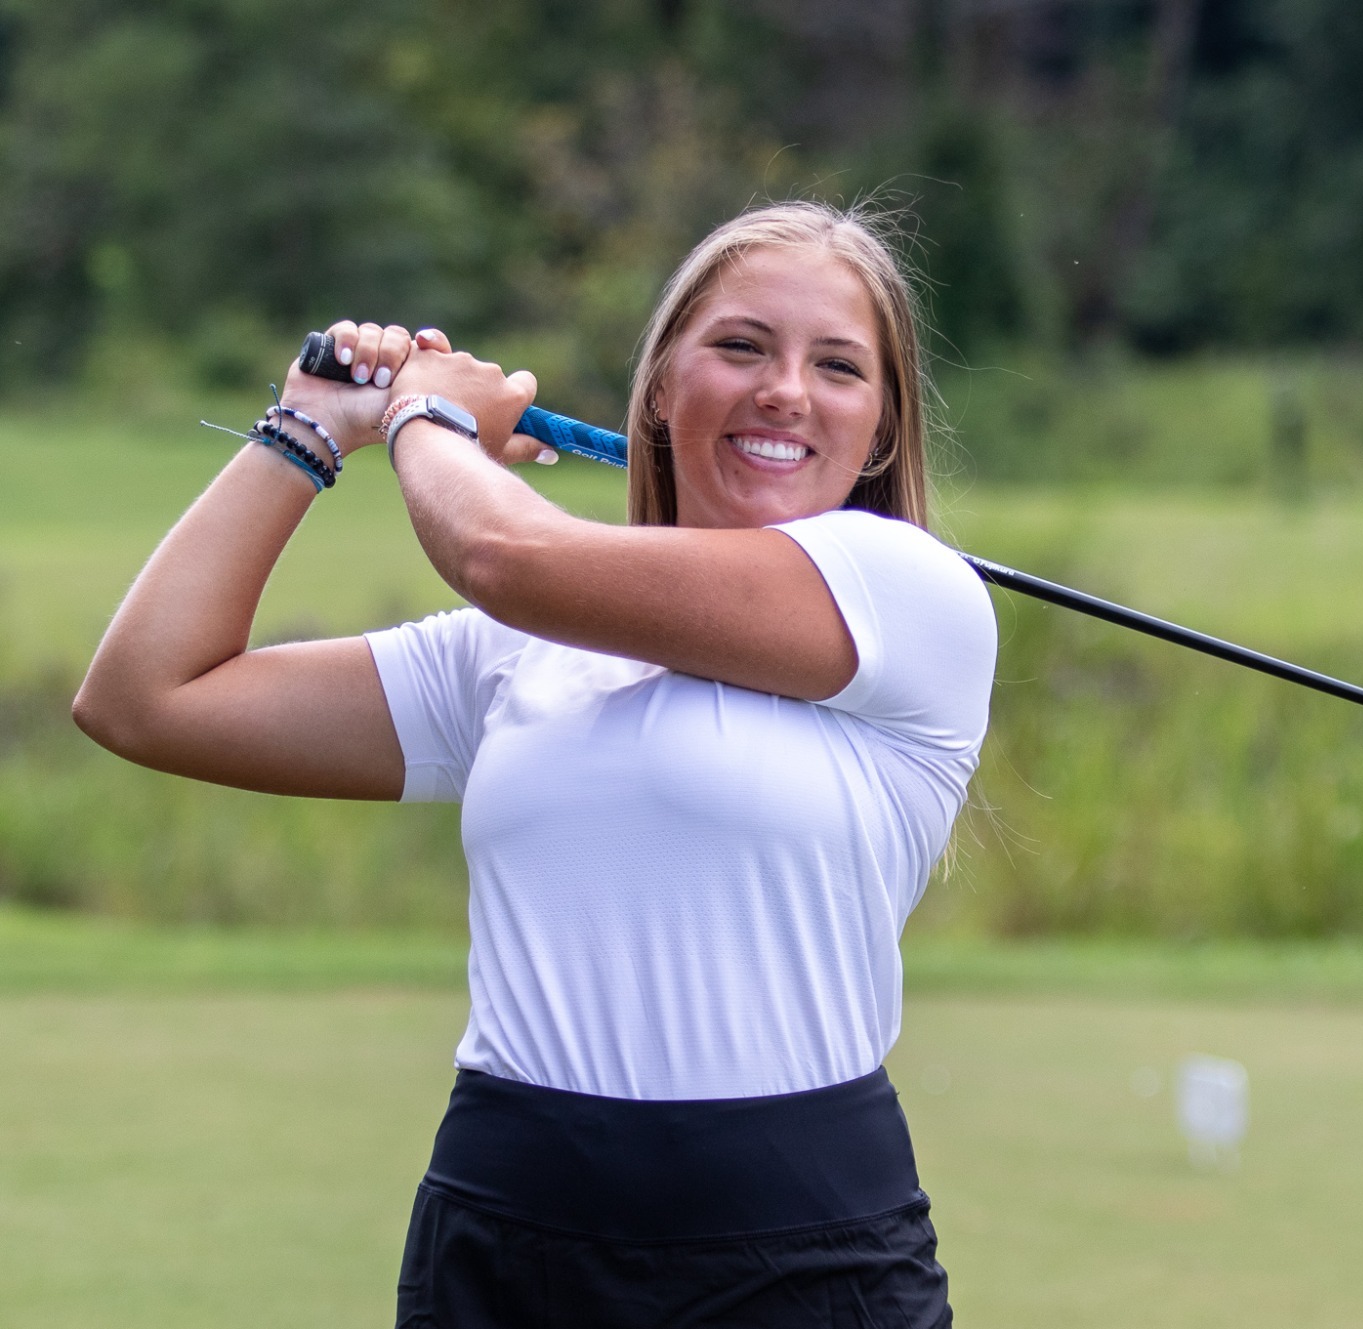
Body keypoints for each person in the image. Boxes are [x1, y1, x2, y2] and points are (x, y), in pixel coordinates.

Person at [72, 201, 997, 1328]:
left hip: (798, 1252)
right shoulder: (514, 654)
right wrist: (307, 427)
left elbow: (502, 552)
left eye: (838, 366)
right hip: (504, 1233)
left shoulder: (912, 595)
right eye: (741, 345)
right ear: (660, 387)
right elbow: (144, 697)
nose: (784, 391)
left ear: (884, 429)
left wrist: (422, 416)